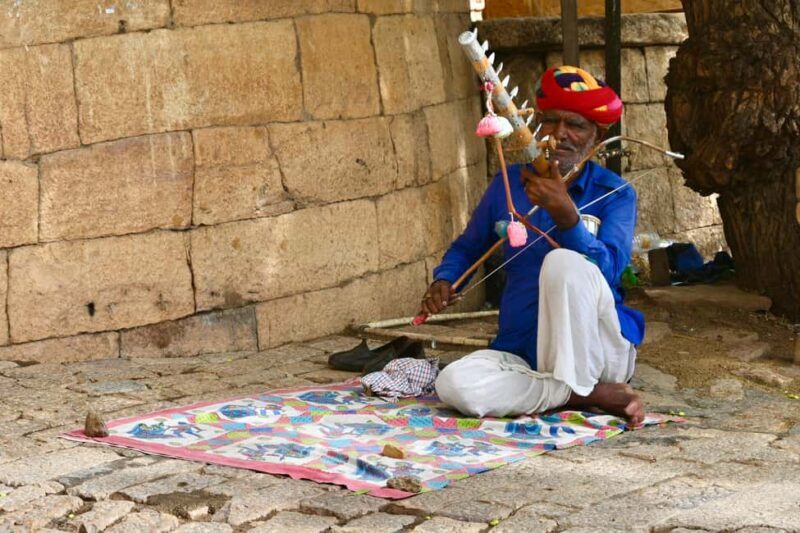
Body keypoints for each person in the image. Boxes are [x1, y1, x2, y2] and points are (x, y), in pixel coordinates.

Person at [422, 66, 646, 424]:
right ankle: (577, 395)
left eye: (576, 125)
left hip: (599, 351)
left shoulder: (615, 193)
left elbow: (609, 273)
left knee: (562, 263)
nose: (561, 135)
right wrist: (446, 279)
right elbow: (468, 247)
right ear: (538, 123)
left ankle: (586, 383)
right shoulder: (509, 183)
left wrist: (567, 216)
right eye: (552, 121)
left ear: (597, 134)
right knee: (455, 384)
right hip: (523, 349)